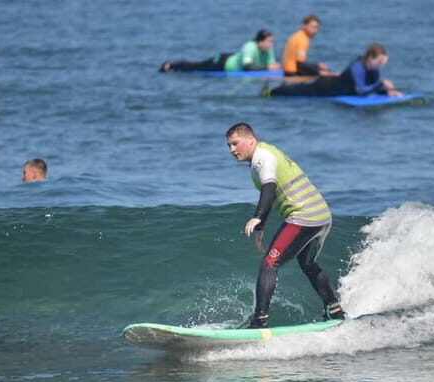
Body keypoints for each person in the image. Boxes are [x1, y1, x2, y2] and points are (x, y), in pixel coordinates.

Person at [225, 123, 345, 328]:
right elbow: (273, 193)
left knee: (270, 264)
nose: (232, 150)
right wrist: (261, 226)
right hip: (321, 216)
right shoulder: (268, 153)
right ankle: (334, 309)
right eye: (229, 146)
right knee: (308, 264)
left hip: (304, 216)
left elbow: (269, 189)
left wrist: (257, 216)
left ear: (251, 141)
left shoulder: (262, 158)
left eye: (235, 144)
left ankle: (259, 320)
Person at [266, 42, 402, 97]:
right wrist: (381, 84)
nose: (380, 65)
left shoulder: (374, 69)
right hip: (325, 87)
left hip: (336, 88)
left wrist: (387, 92)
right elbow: (361, 90)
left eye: (383, 62)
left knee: (299, 88)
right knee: (296, 92)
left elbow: (372, 87)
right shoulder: (357, 67)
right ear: (370, 57)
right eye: (379, 61)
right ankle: (271, 90)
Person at [159, 29, 280, 72]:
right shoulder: (250, 46)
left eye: (272, 41)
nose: (271, 44)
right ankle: (171, 65)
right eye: (269, 41)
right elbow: (247, 67)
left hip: (232, 57)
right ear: (260, 41)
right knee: (196, 66)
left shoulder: (269, 49)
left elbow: (271, 65)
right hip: (222, 63)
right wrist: (268, 68)